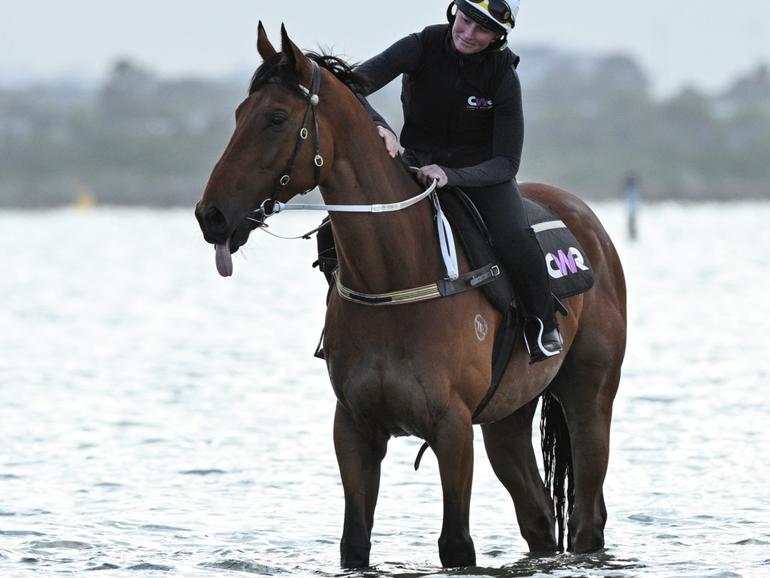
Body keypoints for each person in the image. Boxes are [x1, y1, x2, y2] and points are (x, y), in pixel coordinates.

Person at [346, 0, 562, 361]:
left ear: (498, 36)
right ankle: (344, 320)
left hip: (480, 176)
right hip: (413, 165)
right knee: (331, 229)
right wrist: (379, 125)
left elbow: (507, 163)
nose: (468, 34)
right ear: (453, 13)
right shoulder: (420, 44)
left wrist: (453, 176)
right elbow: (350, 86)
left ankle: (541, 324)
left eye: (482, 29)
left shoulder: (503, 75)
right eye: (464, 21)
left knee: (514, 236)